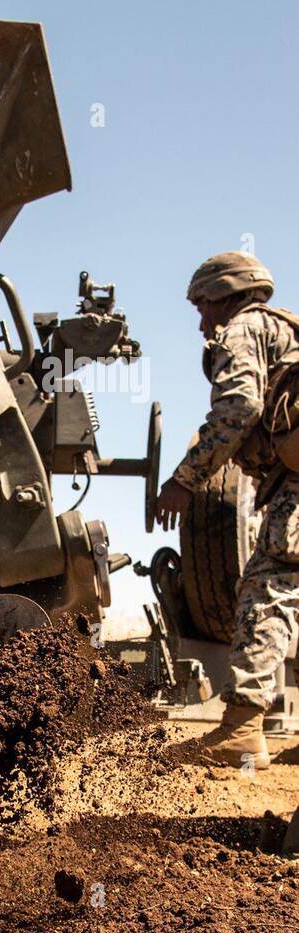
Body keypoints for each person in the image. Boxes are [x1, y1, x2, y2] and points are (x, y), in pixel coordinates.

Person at [155, 251, 299, 770]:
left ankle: (241, 731)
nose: (200, 321)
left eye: (202, 306)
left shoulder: (244, 328)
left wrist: (185, 479)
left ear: (226, 295)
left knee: (269, 589)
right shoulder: (287, 331)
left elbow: (240, 409)